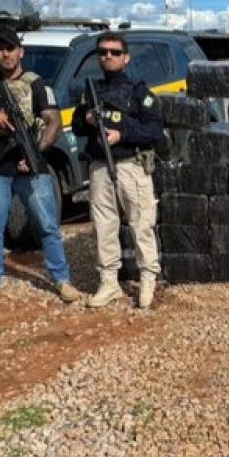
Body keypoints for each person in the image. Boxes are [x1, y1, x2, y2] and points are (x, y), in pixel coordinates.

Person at [0, 27, 82, 309]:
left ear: (20, 51)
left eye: (10, 48)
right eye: (0, 49)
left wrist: (36, 152)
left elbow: (54, 122)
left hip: (29, 162)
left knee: (47, 224)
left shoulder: (37, 84)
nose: (6, 53)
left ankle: (62, 280)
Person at [72, 32, 163, 308]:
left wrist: (121, 135)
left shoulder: (138, 92)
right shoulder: (92, 91)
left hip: (130, 166)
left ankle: (148, 279)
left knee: (141, 223)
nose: (107, 57)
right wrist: (87, 118)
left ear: (126, 57)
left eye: (113, 52)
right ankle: (109, 281)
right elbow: (76, 125)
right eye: (102, 52)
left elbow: (154, 129)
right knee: (104, 226)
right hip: (100, 166)